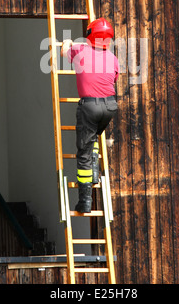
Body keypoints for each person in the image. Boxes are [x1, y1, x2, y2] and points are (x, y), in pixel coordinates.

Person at [61, 18, 119, 213]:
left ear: (89, 35)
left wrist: (67, 42)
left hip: (90, 106)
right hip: (110, 107)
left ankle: (85, 201)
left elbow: (63, 52)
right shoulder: (113, 57)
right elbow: (114, 78)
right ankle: (94, 174)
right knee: (92, 137)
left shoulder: (80, 50)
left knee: (84, 153)